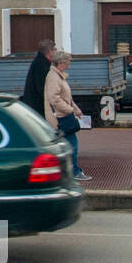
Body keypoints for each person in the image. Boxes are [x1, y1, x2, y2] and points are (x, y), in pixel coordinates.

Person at [44, 50, 90, 181]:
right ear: (60, 63)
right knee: (72, 145)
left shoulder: (58, 76)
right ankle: (74, 172)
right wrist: (70, 110)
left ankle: (67, 171)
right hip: (61, 116)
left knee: (65, 144)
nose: (69, 65)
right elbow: (54, 98)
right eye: (67, 62)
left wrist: (76, 110)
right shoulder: (54, 77)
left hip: (63, 114)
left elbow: (66, 97)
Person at [22, 38, 56, 114]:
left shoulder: (40, 62)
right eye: (54, 50)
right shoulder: (42, 65)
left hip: (35, 104)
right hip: (38, 106)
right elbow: (42, 87)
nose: (55, 52)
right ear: (50, 52)